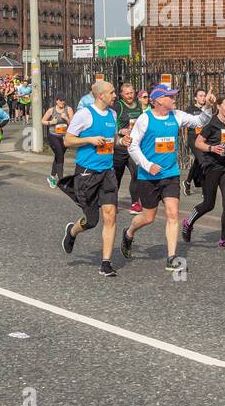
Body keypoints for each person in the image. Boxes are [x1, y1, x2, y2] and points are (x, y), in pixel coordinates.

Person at [121, 85, 216, 272]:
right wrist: (148, 165)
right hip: (148, 176)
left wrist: (208, 107)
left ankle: (171, 257)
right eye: (170, 96)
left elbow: (200, 121)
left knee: (173, 215)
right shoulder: (145, 119)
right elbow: (132, 146)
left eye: (174, 95)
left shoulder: (177, 115)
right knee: (148, 217)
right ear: (158, 100)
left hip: (171, 174)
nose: (174, 98)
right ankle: (129, 233)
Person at [60, 80, 121, 277]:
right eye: (112, 92)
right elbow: (67, 140)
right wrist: (89, 139)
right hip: (87, 173)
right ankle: (72, 232)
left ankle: (106, 263)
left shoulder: (112, 114)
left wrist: (122, 140)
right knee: (92, 221)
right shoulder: (85, 114)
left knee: (110, 215)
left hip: (108, 172)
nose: (115, 95)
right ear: (101, 95)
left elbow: (112, 141)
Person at [181, 93, 225, 250]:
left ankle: (224, 239)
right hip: (211, 166)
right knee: (209, 204)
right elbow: (198, 143)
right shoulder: (212, 123)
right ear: (219, 106)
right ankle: (188, 222)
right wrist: (212, 148)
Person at [114, 82, 147, 213]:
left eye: (132, 93)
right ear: (121, 95)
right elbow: (111, 122)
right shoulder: (118, 106)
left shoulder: (138, 105)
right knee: (117, 175)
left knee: (136, 174)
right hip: (121, 146)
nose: (130, 96)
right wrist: (120, 131)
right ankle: (112, 201)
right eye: (127, 93)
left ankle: (134, 203)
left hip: (134, 146)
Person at [182, 88, 209, 196]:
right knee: (203, 161)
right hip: (193, 138)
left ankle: (187, 182)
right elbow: (188, 124)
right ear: (195, 98)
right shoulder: (190, 109)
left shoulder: (208, 109)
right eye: (201, 96)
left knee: (198, 161)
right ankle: (205, 188)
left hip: (204, 139)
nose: (203, 98)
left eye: (204, 95)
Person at [43, 97, 73, 188]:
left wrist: (66, 118)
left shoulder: (69, 109)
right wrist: (51, 122)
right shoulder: (51, 110)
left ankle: (52, 177)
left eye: (63, 100)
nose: (62, 102)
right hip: (53, 136)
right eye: (60, 100)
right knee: (60, 155)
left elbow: (74, 123)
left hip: (64, 137)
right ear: (56, 101)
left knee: (59, 156)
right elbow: (43, 121)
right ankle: (61, 180)